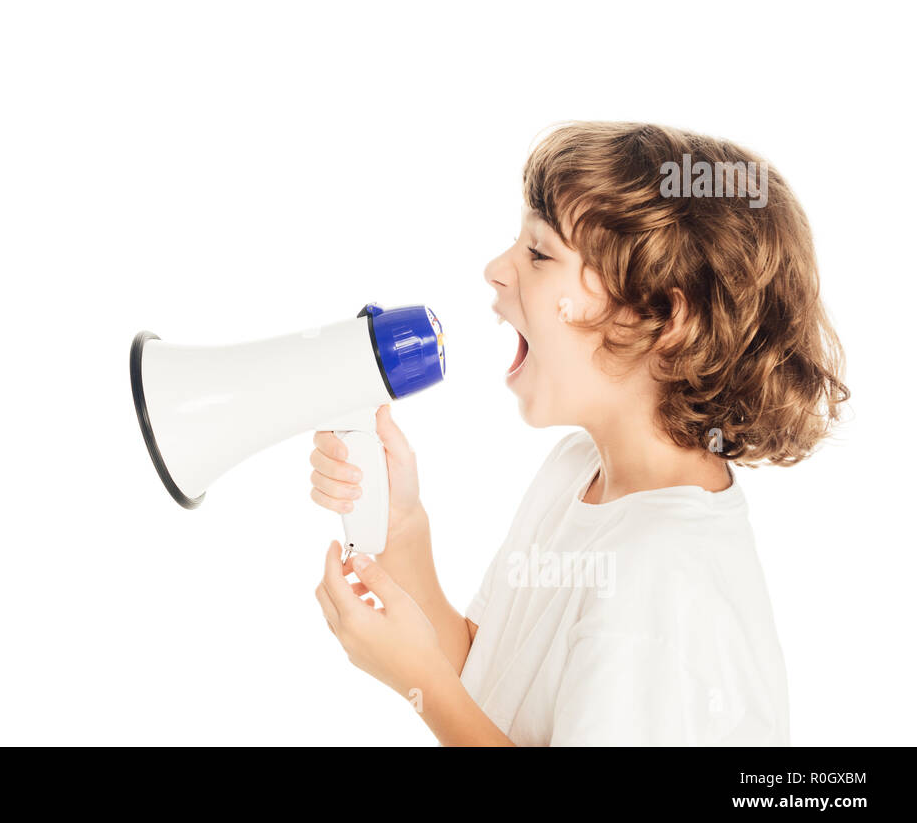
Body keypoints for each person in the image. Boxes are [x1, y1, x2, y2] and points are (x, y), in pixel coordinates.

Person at [310, 121, 848, 745]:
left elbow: (451, 693)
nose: (495, 269)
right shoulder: (577, 470)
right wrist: (402, 530)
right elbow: (493, 684)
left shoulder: (665, 574)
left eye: (540, 253)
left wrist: (419, 682)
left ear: (663, 319)